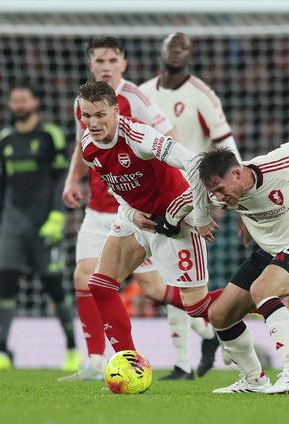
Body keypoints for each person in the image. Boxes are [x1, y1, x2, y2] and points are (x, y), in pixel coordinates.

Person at [60, 37, 215, 381]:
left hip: (161, 211)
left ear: (123, 63)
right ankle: (107, 363)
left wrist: (188, 207)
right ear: (90, 64)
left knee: (164, 293)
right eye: (99, 60)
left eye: (111, 59)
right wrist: (74, 181)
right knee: (92, 280)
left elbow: (177, 147)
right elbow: (92, 158)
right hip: (118, 211)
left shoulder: (137, 108)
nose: (92, 122)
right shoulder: (86, 127)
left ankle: (226, 317)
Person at [196, 121, 289, 394]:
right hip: (270, 253)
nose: (218, 197)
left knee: (262, 289)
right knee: (219, 315)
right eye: (213, 192)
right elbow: (191, 200)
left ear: (237, 173)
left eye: (220, 189)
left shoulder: (278, 164)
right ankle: (254, 381)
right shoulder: (221, 195)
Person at [139, 32, 241, 380]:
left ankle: (191, 355)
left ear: (191, 55)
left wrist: (236, 191)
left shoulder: (202, 96)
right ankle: (203, 341)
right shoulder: (143, 93)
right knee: (166, 280)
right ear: (161, 50)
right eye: (172, 46)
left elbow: (227, 145)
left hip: (189, 197)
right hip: (151, 195)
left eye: (184, 47)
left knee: (178, 277)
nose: (177, 52)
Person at [0, 82, 78, 370]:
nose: (19, 105)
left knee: (53, 284)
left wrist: (58, 215)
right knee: (5, 283)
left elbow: (61, 178)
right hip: (13, 221)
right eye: (15, 100)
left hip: (44, 222)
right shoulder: (5, 139)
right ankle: (2, 352)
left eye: (24, 99)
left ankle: (72, 349)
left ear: (35, 103)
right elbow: (2, 184)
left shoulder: (50, 135)